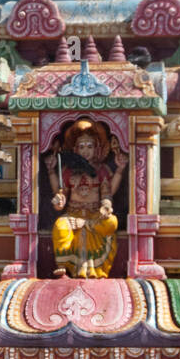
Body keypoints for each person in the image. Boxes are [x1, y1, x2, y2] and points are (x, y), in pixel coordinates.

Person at [44, 119, 127, 278]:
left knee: (112, 222)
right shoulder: (69, 171)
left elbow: (107, 194)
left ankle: (97, 268)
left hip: (94, 217)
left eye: (89, 146)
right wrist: (58, 200)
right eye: (81, 147)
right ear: (75, 149)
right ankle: (64, 266)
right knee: (60, 226)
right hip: (73, 216)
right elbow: (61, 195)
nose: (85, 151)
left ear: (97, 149)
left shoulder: (102, 170)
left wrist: (106, 206)